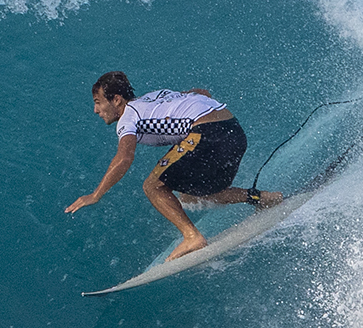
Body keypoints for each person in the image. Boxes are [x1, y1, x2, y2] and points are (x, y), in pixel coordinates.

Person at [66, 71, 282, 260]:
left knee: (153, 186)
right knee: (192, 194)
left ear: (116, 100)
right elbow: (202, 92)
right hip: (234, 133)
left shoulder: (129, 117)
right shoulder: (155, 96)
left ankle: (192, 237)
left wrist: (95, 195)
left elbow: (124, 158)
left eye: (98, 101)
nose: (95, 110)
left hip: (208, 134)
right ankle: (264, 198)